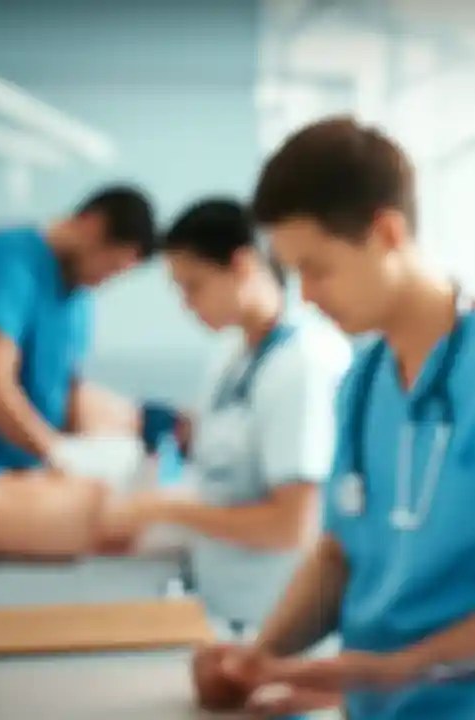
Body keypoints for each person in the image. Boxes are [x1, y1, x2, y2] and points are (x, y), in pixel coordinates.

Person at [189, 117, 475, 719]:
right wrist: (258, 656)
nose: (307, 297)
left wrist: (401, 669)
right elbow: (339, 554)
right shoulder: (362, 380)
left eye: (317, 269)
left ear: (387, 233)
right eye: (294, 275)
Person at [98, 198, 351, 634]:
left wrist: (166, 509)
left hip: (283, 622)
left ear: (242, 265)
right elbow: (221, 446)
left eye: (193, 286)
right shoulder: (232, 353)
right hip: (225, 610)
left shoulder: (304, 364)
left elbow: (290, 525)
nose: (186, 305)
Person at [0, 185, 157, 475]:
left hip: (23, 470)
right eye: (110, 267)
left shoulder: (77, 297)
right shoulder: (5, 262)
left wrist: (134, 422)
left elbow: (61, 391)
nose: (104, 281)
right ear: (92, 225)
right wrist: (56, 452)